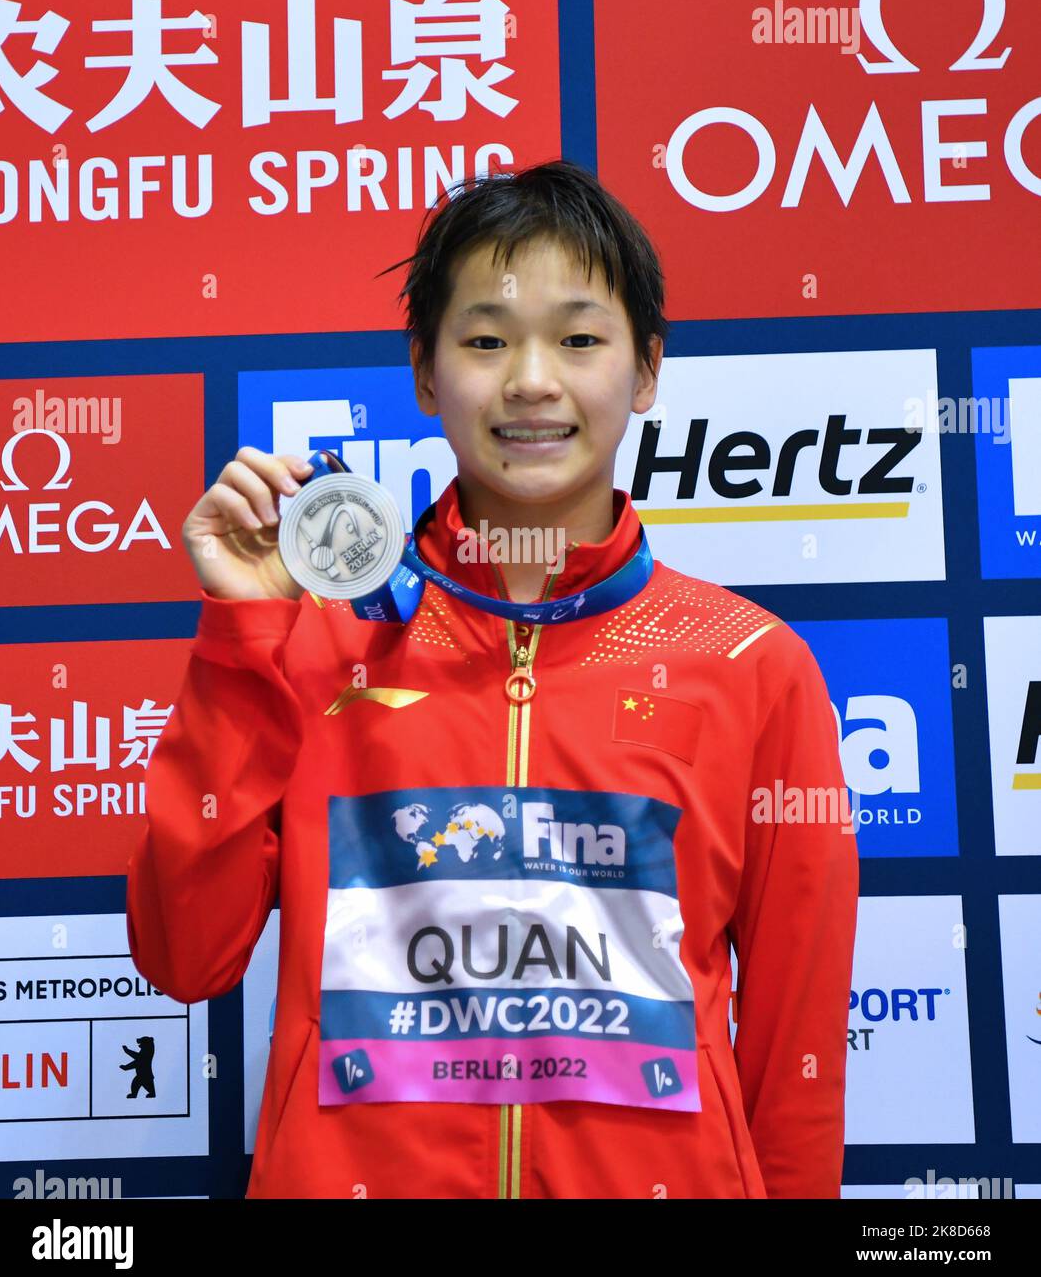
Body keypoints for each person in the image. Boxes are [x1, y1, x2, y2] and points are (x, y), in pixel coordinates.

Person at [126, 159, 859, 1199]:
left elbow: (795, 1058)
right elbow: (180, 956)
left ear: (647, 370)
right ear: (424, 373)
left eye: (578, 338)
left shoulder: (749, 664)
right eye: (484, 339)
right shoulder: (316, 642)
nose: (530, 380)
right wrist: (245, 634)